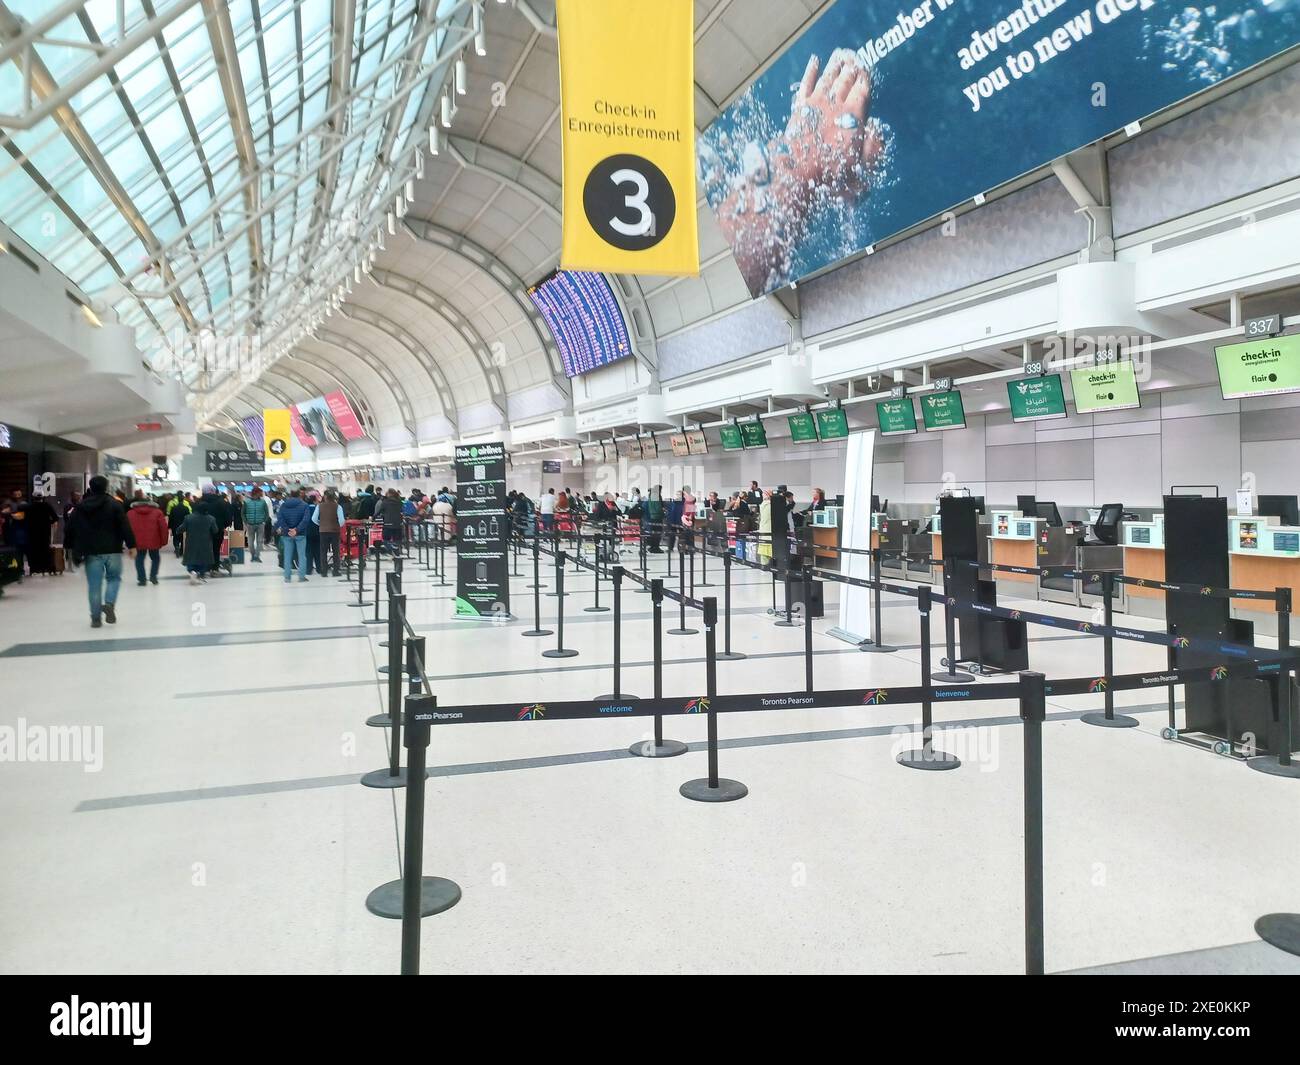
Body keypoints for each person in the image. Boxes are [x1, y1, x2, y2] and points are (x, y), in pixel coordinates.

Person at [66, 475, 136, 627]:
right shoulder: (114, 504)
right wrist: (132, 545)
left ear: (90, 488)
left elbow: (70, 528)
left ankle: (95, 619)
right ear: (106, 487)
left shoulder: (81, 507)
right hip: (113, 550)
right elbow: (124, 525)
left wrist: (70, 548)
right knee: (114, 578)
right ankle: (109, 604)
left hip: (91, 552)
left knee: (94, 585)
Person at [126, 494, 168, 585]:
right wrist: (164, 540)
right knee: (155, 558)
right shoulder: (158, 512)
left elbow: (126, 528)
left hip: (137, 541)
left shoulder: (130, 513)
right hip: (154, 540)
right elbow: (163, 527)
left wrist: (128, 542)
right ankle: (153, 577)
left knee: (139, 559)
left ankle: (142, 579)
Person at [275, 488, 312, 581]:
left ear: (290, 495)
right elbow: (306, 519)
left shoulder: (283, 505)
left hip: (287, 535)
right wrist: (297, 530)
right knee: (302, 556)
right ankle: (301, 577)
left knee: (287, 556)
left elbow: (280, 519)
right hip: (301, 534)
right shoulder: (304, 505)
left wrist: (287, 529)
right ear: (299, 495)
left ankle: (287, 577)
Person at [23, 492, 59, 575]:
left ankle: (34, 568)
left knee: (34, 549)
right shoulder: (47, 505)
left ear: (33, 497)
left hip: (32, 532)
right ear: (43, 497)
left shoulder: (29, 507)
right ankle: (46, 567)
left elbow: (25, 519)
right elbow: (55, 517)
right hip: (45, 531)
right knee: (45, 549)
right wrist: (48, 522)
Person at [180, 505, 217, 584]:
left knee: (191, 558)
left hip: (191, 542)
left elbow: (181, 528)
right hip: (205, 542)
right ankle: (200, 575)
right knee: (203, 559)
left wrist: (177, 530)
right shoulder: (211, 518)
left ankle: (192, 571)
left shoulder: (188, 517)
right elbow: (215, 530)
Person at [313, 489, 344, 577]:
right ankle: (336, 571)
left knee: (323, 552)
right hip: (335, 531)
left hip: (323, 531)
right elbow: (342, 521)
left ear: (325, 497)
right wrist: (337, 525)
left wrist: (321, 524)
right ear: (334, 497)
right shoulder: (338, 506)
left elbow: (314, 519)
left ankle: (324, 572)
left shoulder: (319, 506)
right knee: (336, 552)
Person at [242, 488, 269, 563]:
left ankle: (257, 556)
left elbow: (267, 513)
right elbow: (243, 513)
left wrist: (264, 521)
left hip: (260, 524)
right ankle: (253, 555)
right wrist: (246, 521)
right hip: (250, 524)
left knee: (260, 541)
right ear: (256, 493)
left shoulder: (263, 502)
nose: (261, 494)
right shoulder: (246, 502)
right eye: (260, 492)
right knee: (250, 542)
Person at [167, 492, 192, 556]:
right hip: (183, 525)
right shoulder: (186, 507)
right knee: (182, 538)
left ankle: (176, 546)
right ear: (183, 500)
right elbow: (188, 517)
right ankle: (181, 550)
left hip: (175, 525)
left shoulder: (173, 508)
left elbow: (170, 517)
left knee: (175, 537)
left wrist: (169, 526)